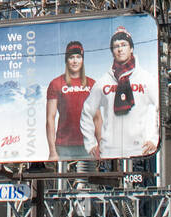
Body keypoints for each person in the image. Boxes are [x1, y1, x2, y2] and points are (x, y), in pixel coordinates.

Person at [80, 26, 159, 159]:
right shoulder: (103, 81)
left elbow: (161, 108)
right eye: (116, 46)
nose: (120, 49)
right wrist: (90, 144)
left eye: (123, 45)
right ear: (112, 51)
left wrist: (154, 138)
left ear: (131, 48)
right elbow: (87, 112)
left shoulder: (146, 79)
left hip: (140, 151)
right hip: (109, 153)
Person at [47, 41, 96, 161]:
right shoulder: (56, 84)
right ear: (66, 60)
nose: (75, 61)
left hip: (89, 146)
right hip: (64, 146)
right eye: (71, 57)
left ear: (82, 59)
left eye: (78, 57)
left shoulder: (92, 84)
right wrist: (52, 151)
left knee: (89, 179)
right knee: (63, 180)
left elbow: (97, 118)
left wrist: (100, 145)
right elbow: (50, 118)